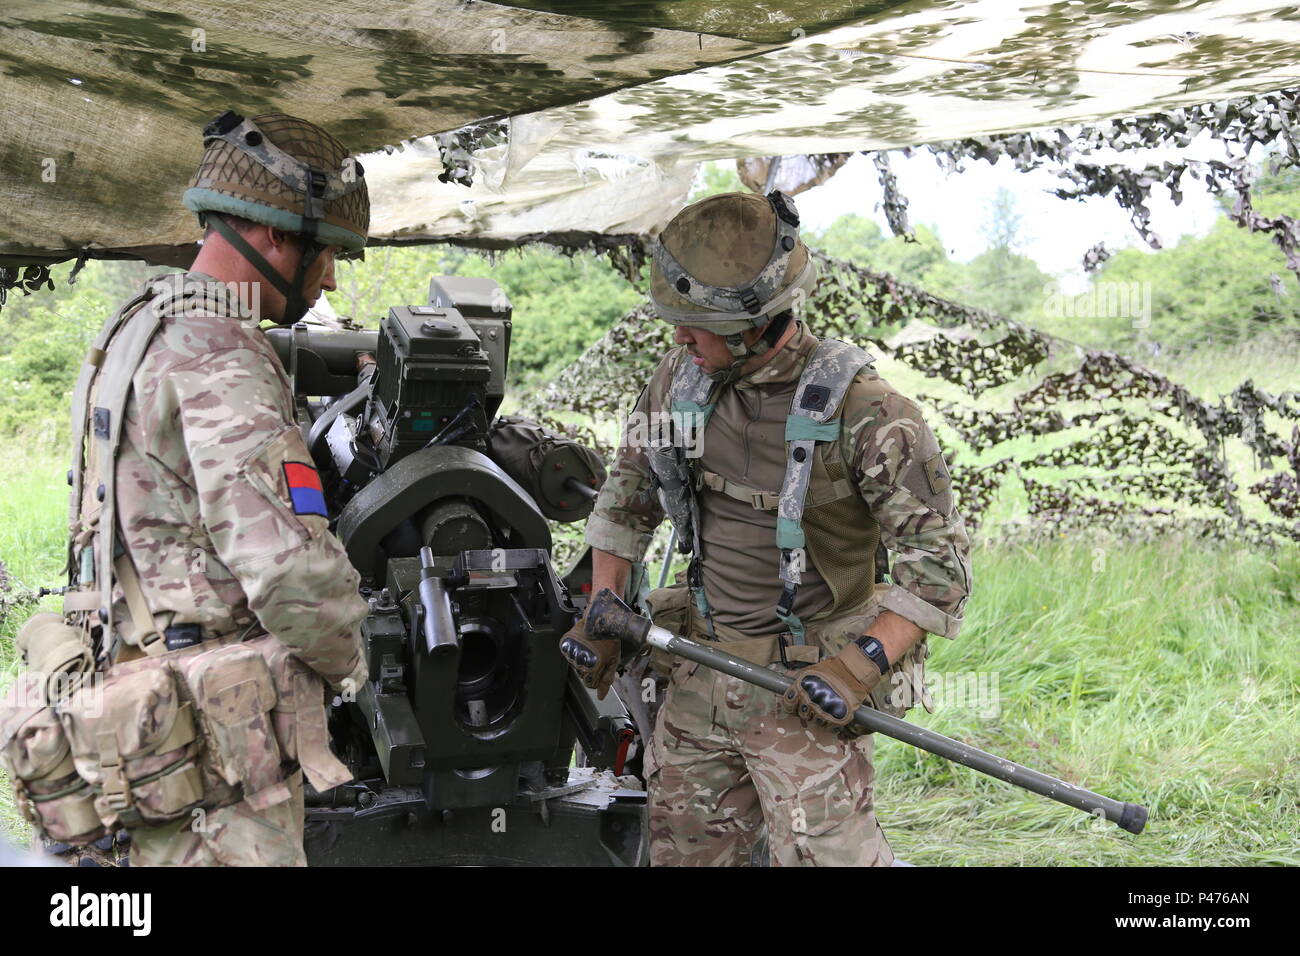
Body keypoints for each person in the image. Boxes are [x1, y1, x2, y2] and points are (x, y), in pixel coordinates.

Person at [561, 190, 972, 866]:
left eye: (694, 324)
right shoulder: (679, 383)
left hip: (807, 695)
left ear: (754, 321)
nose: (677, 339)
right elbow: (626, 497)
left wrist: (861, 666)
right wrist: (604, 607)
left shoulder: (869, 414)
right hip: (697, 675)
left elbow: (939, 569)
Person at [59, 111, 371, 866]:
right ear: (273, 237)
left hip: (133, 721)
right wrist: (360, 667)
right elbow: (290, 570)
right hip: (212, 757)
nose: (329, 280)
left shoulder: (136, 325)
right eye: (326, 255)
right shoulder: (221, 350)